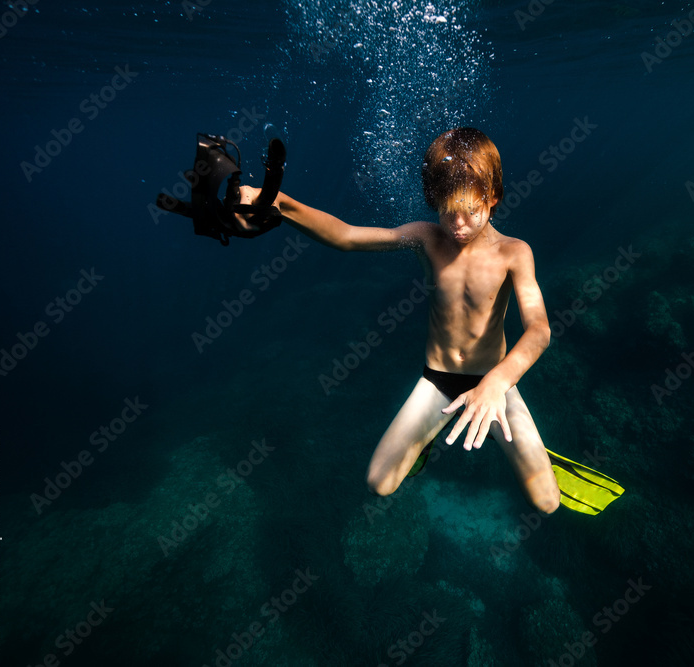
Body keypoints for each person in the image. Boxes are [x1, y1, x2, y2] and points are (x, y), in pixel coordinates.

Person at [236, 128, 562, 514]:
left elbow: (540, 330)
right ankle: (431, 444)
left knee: (547, 503)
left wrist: (495, 384)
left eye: (471, 211)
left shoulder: (515, 253)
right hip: (438, 383)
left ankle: (504, 431)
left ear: (493, 198)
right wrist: (279, 203)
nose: (457, 225)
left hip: (495, 381)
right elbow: (347, 236)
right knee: (379, 484)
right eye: (446, 210)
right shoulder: (428, 238)